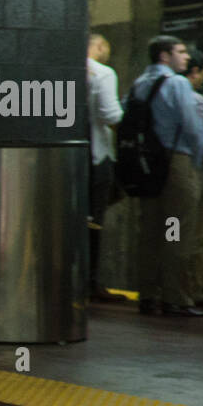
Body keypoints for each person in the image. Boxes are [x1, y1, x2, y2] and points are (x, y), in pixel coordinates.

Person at [129, 35, 203, 316]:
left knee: (150, 232)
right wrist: (195, 160)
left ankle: (148, 294)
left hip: (148, 168)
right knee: (175, 230)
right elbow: (192, 126)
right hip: (176, 164)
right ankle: (175, 297)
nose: (186, 57)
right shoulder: (177, 83)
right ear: (165, 56)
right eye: (180, 52)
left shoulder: (140, 83)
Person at [86, 32, 124, 301]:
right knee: (94, 222)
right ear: (98, 45)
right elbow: (110, 114)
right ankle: (90, 282)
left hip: (69, 159)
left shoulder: (63, 68)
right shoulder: (103, 73)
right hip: (97, 155)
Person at [183, 48, 203, 307]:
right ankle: (191, 291)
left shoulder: (151, 87)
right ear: (195, 72)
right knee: (197, 235)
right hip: (197, 175)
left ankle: (161, 290)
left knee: (171, 233)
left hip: (163, 176)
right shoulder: (195, 99)